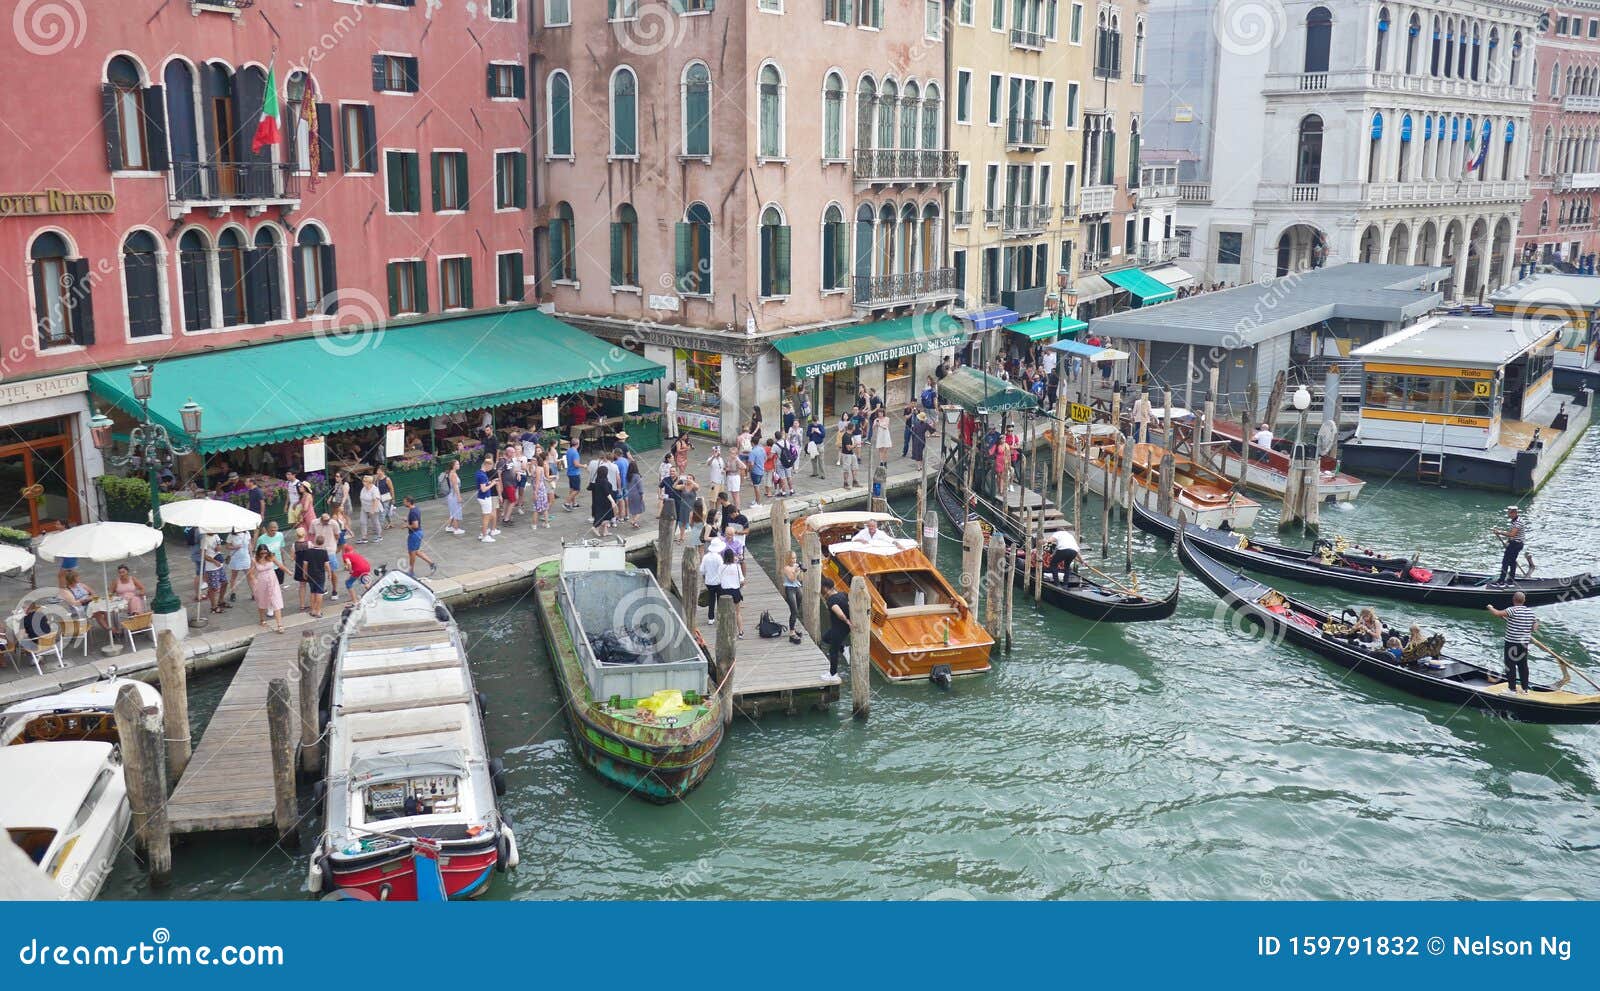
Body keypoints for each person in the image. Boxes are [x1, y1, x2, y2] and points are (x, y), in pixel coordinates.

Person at [1487, 591, 1538, 694]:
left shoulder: (1512, 610)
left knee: (1510, 666)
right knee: (1523, 666)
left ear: (1513, 600)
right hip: (1524, 644)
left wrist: (1490, 607)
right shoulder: (1530, 612)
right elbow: (1534, 628)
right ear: (1524, 601)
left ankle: (1512, 689)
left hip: (1512, 643)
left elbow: (1497, 613)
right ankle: (1525, 689)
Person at [820, 580, 850, 686]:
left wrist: (848, 622)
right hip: (839, 627)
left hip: (839, 628)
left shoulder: (831, 600)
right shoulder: (843, 594)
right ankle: (844, 648)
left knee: (833, 651)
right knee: (825, 638)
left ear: (826, 588)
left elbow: (840, 614)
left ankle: (833, 674)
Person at [249, 545, 285, 633]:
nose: (264, 554)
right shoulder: (255, 560)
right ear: (259, 552)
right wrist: (254, 581)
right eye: (262, 553)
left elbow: (280, 565)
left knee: (276, 601)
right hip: (261, 582)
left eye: (265, 552)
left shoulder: (271, 557)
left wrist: (288, 571)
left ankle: (280, 625)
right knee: (262, 602)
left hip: (273, 582)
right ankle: (262, 619)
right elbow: (251, 574)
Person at [296, 535, 332, 619]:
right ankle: (318, 611)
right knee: (319, 593)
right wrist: (329, 573)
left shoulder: (308, 551)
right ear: (323, 543)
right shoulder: (324, 552)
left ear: (315, 541)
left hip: (311, 574)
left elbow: (305, 563)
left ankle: (312, 610)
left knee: (312, 592)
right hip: (320, 575)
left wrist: (304, 573)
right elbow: (326, 565)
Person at [1491, 505, 1527, 585]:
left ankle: (1501, 580)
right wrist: (1508, 541)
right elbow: (1512, 535)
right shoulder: (1514, 521)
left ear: (1514, 513)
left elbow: (1512, 534)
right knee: (1512, 562)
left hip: (1516, 544)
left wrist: (1499, 532)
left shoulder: (1518, 522)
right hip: (1515, 543)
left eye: (1509, 513)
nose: (1508, 514)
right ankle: (1511, 580)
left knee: (1505, 562)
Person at [403, 496, 437, 576]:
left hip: (414, 534)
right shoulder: (415, 509)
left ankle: (411, 572)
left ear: (408, 502)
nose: (403, 503)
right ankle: (432, 564)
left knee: (412, 553)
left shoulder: (412, 512)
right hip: (418, 533)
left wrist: (406, 526)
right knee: (416, 552)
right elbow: (414, 522)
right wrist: (407, 521)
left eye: (404, 502)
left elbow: (415, 525)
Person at [718, 547, 745, 638]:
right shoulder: (737, 566)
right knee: (738, 613)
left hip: (724, 592)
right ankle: (741, 632)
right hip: (735, 591)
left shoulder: (721, 567)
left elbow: (718, 579)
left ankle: (727, 632)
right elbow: (742, 580)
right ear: (732, 556)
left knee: (725, 613)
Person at [589, 459, 618, 537]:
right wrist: (612, 501)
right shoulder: (604, 481)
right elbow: (607, 492)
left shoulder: (597, 480)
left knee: (605, 517)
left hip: (598, 501)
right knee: (605, 516)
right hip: (605, 502)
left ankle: (605, 531)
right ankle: (595, 527)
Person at [476, 456, 501, 542]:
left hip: (482, 498)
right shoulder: (482, 475)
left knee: (487, 516)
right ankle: (484, 536)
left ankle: (483, 532)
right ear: (486, 465)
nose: (490, 469)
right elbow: (483, 489)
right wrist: (493, 483)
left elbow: (483, 485)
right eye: (490, 467)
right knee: (486, 517)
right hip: (485, 497)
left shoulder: (479, 472)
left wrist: (489, 482)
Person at [700, 539, 725, 625]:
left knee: (711, 599)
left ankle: (711, 618)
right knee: (719, 599)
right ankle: (720, 616)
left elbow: (702, 570)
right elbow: (722, 570)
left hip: (708, 582)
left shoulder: (705, 557)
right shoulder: (718, 558)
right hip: (718, 582)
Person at [225, 528, 252, 603]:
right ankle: (233, 593)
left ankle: (253, 593)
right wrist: (235, 547)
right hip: (235, 558)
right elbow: (227, 546)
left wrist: (251, 556)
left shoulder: (247, 533)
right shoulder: (231, 535)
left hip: (245, 557)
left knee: (249, 576)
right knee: (234, 576)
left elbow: (250, 545)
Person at [780, 552, 803, 635]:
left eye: (795, 558)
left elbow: (800, 579)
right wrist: (796, 572)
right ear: (788, 559)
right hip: (790, 589)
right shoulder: (786, 568)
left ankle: (793, 627)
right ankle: (792, 632)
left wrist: (801, 571)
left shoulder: (796, 565)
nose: (794, 560)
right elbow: (792, 579)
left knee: (797, 610)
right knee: (794, 611)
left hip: (798, 587)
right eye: (792, 558)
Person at [530, 452, 553, 529]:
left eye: (533, 460)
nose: (531, 461)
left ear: (536, 461)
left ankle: (534, 525)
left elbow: (537, 482)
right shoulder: (541, 468)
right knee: (544, 507)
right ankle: (546, 523)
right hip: (543, 489)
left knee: (536, 508)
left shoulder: (537, 469)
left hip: (538, 490)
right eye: (531, 460)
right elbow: (544, 478)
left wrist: (535, 493)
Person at [358, 475, 383, 544]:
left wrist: (373, 510)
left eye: (365, 481)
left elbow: (376, 500)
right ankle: (364, 537)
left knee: (375, 522)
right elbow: (362, 498)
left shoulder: (375, 489)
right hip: (364, 507)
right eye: (363, 481)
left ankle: (379, 536)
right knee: (362, 522)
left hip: (373, 508)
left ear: (370, 482)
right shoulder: (364, 488)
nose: (363, 482)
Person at [443, 460, 465, 534]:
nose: (459, 465)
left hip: (452, 495)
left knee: (453, 512)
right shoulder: (453, 474)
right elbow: (455, 486)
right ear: (453, 466)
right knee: (456, 512)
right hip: (454, 495)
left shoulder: (452, 473)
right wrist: (459, 497)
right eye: (457, 464)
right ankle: (456, 529)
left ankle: (449, 527)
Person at [563, 438, 583, 511]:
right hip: (575, 473)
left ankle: (574, 503)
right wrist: (584, 466)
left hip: (570, 472)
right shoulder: (575, 453)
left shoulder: (569, 450)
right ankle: (567, 502)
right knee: (577, 490)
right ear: (578, 444)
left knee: (572, 489)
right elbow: (576, 464)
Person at [839, 423, 860, 487]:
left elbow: (852, 444)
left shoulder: (851, 435)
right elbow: (848, 448)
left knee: (855, 467)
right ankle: (845, 483)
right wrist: (855, 445)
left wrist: (855, 444)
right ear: (852, 428)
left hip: (852, 453)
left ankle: (855, 481)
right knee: (846, 469)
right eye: (854, 426)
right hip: (846, 454)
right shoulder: (846, 436)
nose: (855, 428)